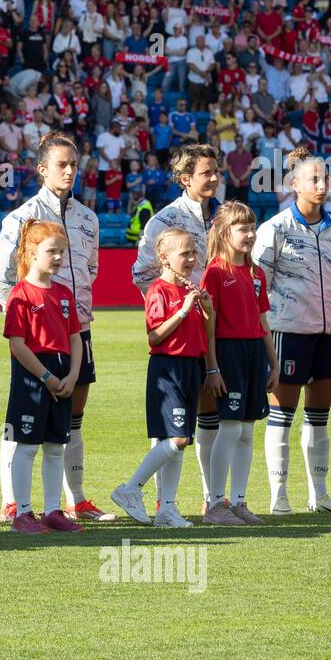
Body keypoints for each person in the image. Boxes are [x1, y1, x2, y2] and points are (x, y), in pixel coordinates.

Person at [0, 132, 107, 523]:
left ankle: (74, 499)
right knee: (21, 421)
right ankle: (13, 502)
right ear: (42, 169)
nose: (70, 171)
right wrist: (29, 319)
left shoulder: (88, 218)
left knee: (71, 418)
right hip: (35, 340)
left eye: (74, 164)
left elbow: (89, 271)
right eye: (61, 164)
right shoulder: (21, 219)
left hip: (76, 332)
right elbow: (3, 280)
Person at [253, 148, 331, 517]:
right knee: (281, 416)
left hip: (329, 333)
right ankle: (279, 496)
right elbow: (259, 284)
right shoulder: (274, 229)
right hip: (288, 332)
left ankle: (320, 495)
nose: (322, 186)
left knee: (320, 418)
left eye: (326, 179)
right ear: (293, 184)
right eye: (314, 179)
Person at [131, 144, 222, 512]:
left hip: (216, 327)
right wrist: (179, 301)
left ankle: (211, 498)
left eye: (217, 171)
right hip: (181, 332)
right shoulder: (164, 220)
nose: (214, 178)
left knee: (211, 416)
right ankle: (163, 502)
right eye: (206, 173)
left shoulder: (222, 216)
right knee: (177, 426)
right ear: (185, 179)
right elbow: (141, 273)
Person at [111, 227, 213, 527]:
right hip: (168, 369)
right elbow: (154, 336)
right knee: (177, 439)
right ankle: (130, 489)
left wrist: (206, 309)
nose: (192, 259)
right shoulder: (158, 290)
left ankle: (167, 507)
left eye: (194, 252)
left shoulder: (189, 290)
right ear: (164, 258)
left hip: (190, 367)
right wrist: (182, 311)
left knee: (177, 440)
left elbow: (203, 334)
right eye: (185, 253)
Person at [3, 219, 84, 534]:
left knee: (55, 446)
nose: (59, 257)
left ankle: (53, 510)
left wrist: (73, 374)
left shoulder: (64, 293)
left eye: (62, 251)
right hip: (34, 379)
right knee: (27, 446)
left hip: (64, 375)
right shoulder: (21, 295)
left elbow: (75, 336)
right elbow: (17, 345)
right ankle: (22, 512)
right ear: (33, 252)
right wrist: (47, 377)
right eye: (52, 251)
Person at [200, 201, 276, 525]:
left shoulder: (256, 272)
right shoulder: (214, 272)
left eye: (252, 227)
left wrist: (272, 362)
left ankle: (240, 501)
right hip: (228, 353)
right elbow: (209, 327)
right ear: (223, 232)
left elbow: (263, 321)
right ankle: (216, 503)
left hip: (254, 354)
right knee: (228, 429)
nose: (250, 234)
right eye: (242, 228)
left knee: (247, 431)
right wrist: (213, 367)